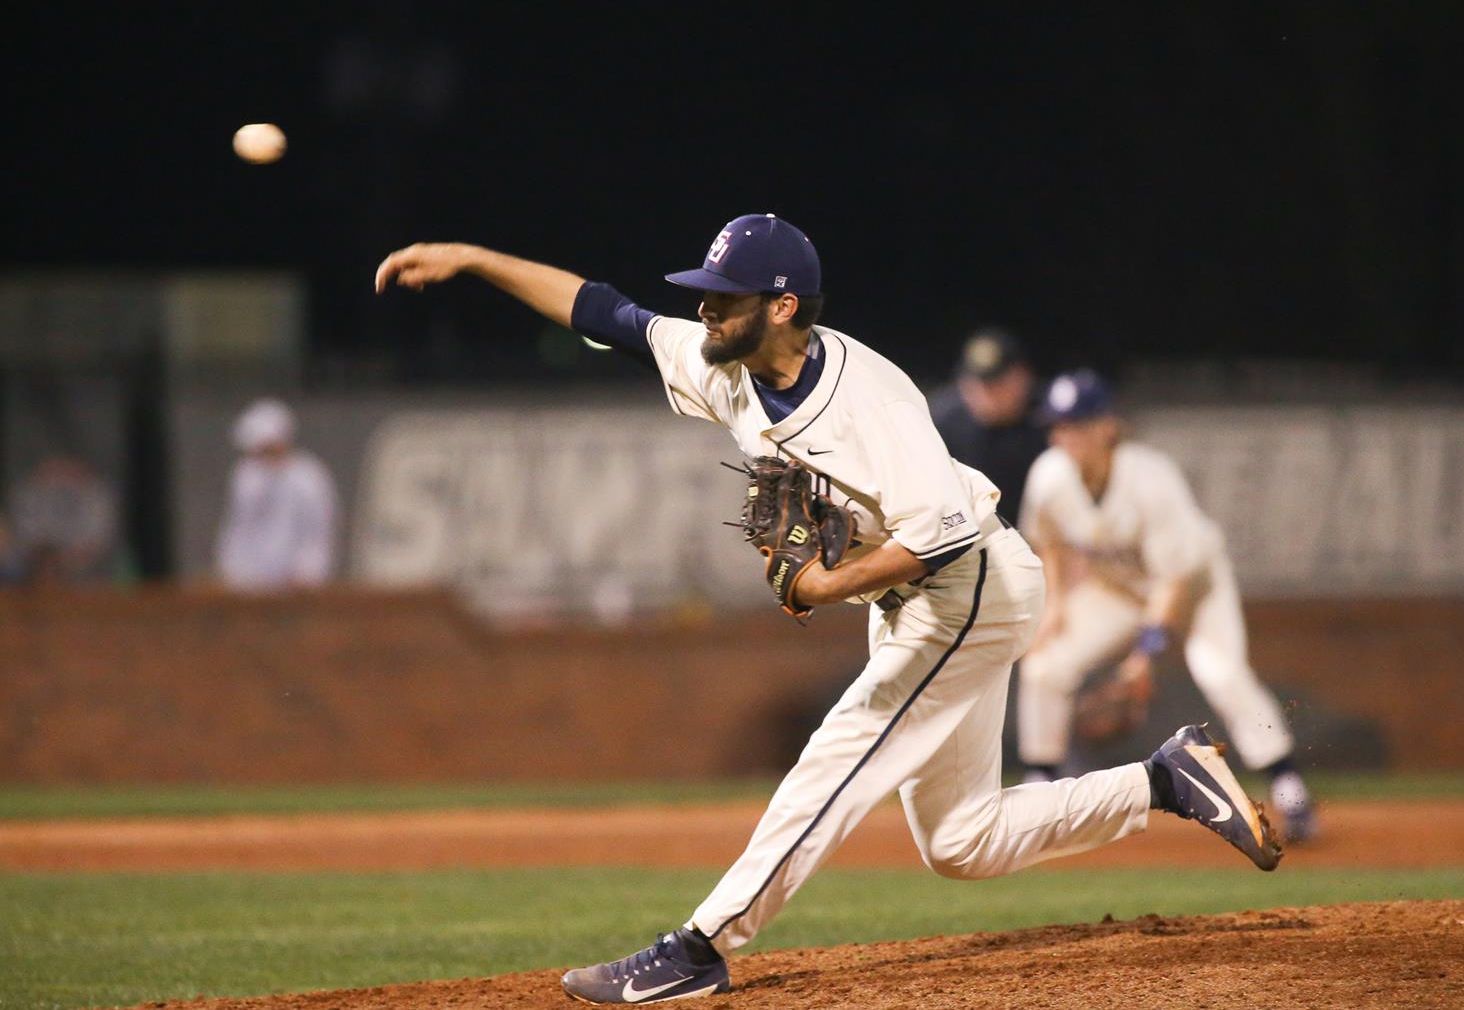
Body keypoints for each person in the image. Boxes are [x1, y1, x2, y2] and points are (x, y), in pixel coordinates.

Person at [375, 214, 1282, 1005]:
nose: (705, 310)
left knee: (839, 756)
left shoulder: (870, 402)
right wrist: (474, 259)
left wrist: (817, 586)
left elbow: (943, 535)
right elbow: (606, 312)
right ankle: (1163, 780)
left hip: (970, 588)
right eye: (705, 295)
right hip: (925, 601)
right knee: (961, 841)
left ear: (782, 306)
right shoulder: (724, 362)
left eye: (724, 297)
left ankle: (699, 949)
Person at [1015, 369, 1318, 843]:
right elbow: (1048, 540)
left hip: (1195, 589)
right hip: (1119, 592)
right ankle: (1040, 786)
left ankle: (1290, 789)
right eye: (1058, 426)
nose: (1064, 436)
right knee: (1044, 665)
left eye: (1077, 424)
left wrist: (1144, 656)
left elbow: (1173, 580)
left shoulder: (1149, 478)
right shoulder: (1049, 475)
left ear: (1106, 427)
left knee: (1222, 674)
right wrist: (1055, 605)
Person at [214, 398, 340, 590]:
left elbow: (319, 531)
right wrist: (233, 571)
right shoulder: (246, 475)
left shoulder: (308, 476)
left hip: (297, 585)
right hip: (250, 585)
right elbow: (238, 527)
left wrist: (308, 573)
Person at [929, 328, 1045, 522]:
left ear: (1024, 377)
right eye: (977, 383)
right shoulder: (943, 420)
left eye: (997, 383)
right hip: (969, 530)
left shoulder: (1050, 418)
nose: (984, 394)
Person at [11, 453, 119, 583]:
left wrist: (70, 560)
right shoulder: (31, 493)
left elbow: (96, 544)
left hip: (87, 575)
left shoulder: (95, 496)